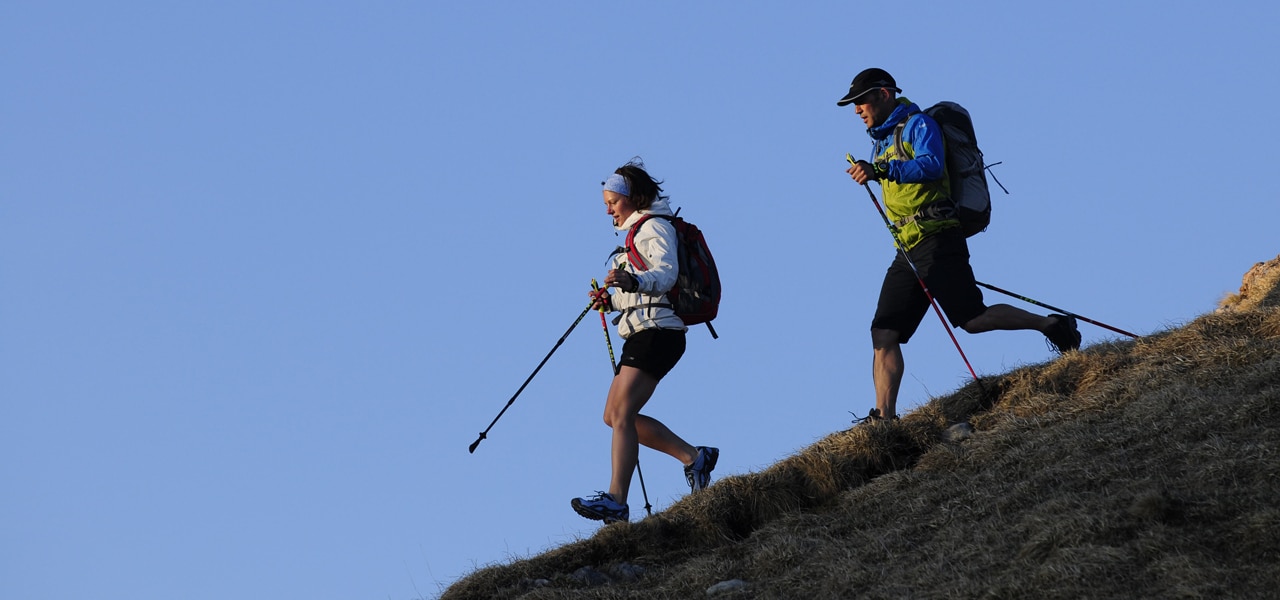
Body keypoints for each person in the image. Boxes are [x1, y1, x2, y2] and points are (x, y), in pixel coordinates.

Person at [838, 68, 1081, 422]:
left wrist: (882, 172)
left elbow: (933, 165)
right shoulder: (883, 140)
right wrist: (876, 170)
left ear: (884, 94)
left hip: (938, 237)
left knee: (972, 319)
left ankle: (1051, 325)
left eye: (861, 101)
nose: (857, 109)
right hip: (907, 249)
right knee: (883, 332)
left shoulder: (918, 125)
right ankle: (884, 420)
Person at [570, 160, 719, 524]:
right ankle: (694, 457)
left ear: (632, 198)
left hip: (658, 332)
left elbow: (664, 276)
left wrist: (631, 283)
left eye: (612, 201)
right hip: (645, 332)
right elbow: (643, 287)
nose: (607, 209)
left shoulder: (653, 226)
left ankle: (617, 501)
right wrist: (614, 299)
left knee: (620, 413)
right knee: (614, 416)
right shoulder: (639, 230)